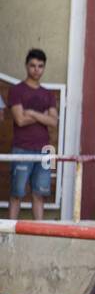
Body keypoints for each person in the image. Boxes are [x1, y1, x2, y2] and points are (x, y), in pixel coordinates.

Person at [8, 49, 58, 221]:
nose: (36, 69)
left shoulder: (49, 94)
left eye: (40, 66)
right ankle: (8, 235)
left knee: (40, 194)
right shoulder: (16, 90)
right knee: (17, 193)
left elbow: (54, 122)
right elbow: (20, 120)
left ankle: (40, 234)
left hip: (46, 150)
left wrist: (33, 113)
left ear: (44, 68)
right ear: (26, 66)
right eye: (33, 66)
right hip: (22, 149)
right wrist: (43, 115)